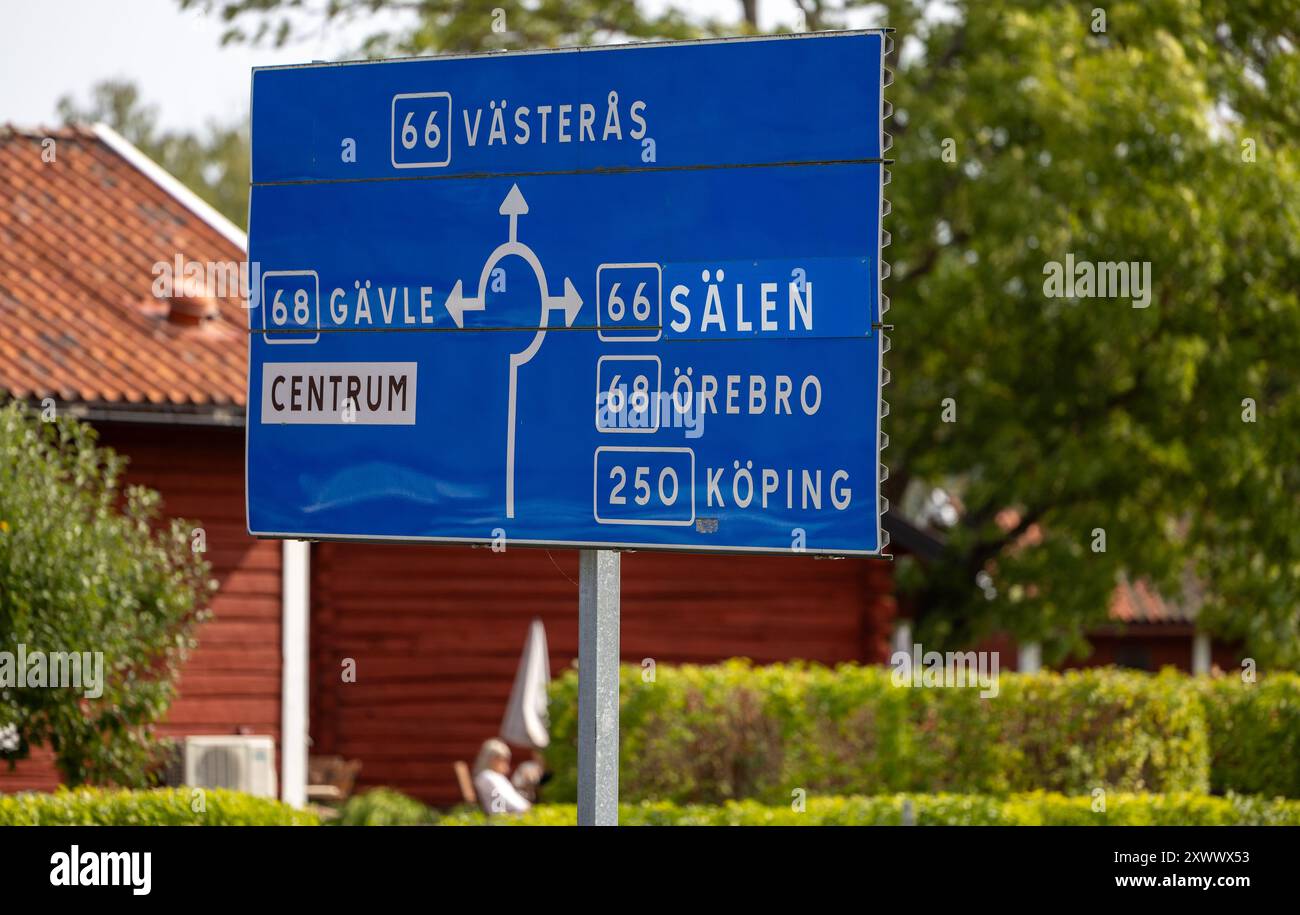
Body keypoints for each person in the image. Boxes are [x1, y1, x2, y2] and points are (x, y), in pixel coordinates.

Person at [472, 738, 535, 815]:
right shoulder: (486, 777)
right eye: (503, 759)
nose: (506, 763)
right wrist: (525, 808)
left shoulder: (497, 776)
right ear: (493, 759)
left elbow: (512, 796)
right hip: (503, 818)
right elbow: (504, 799)